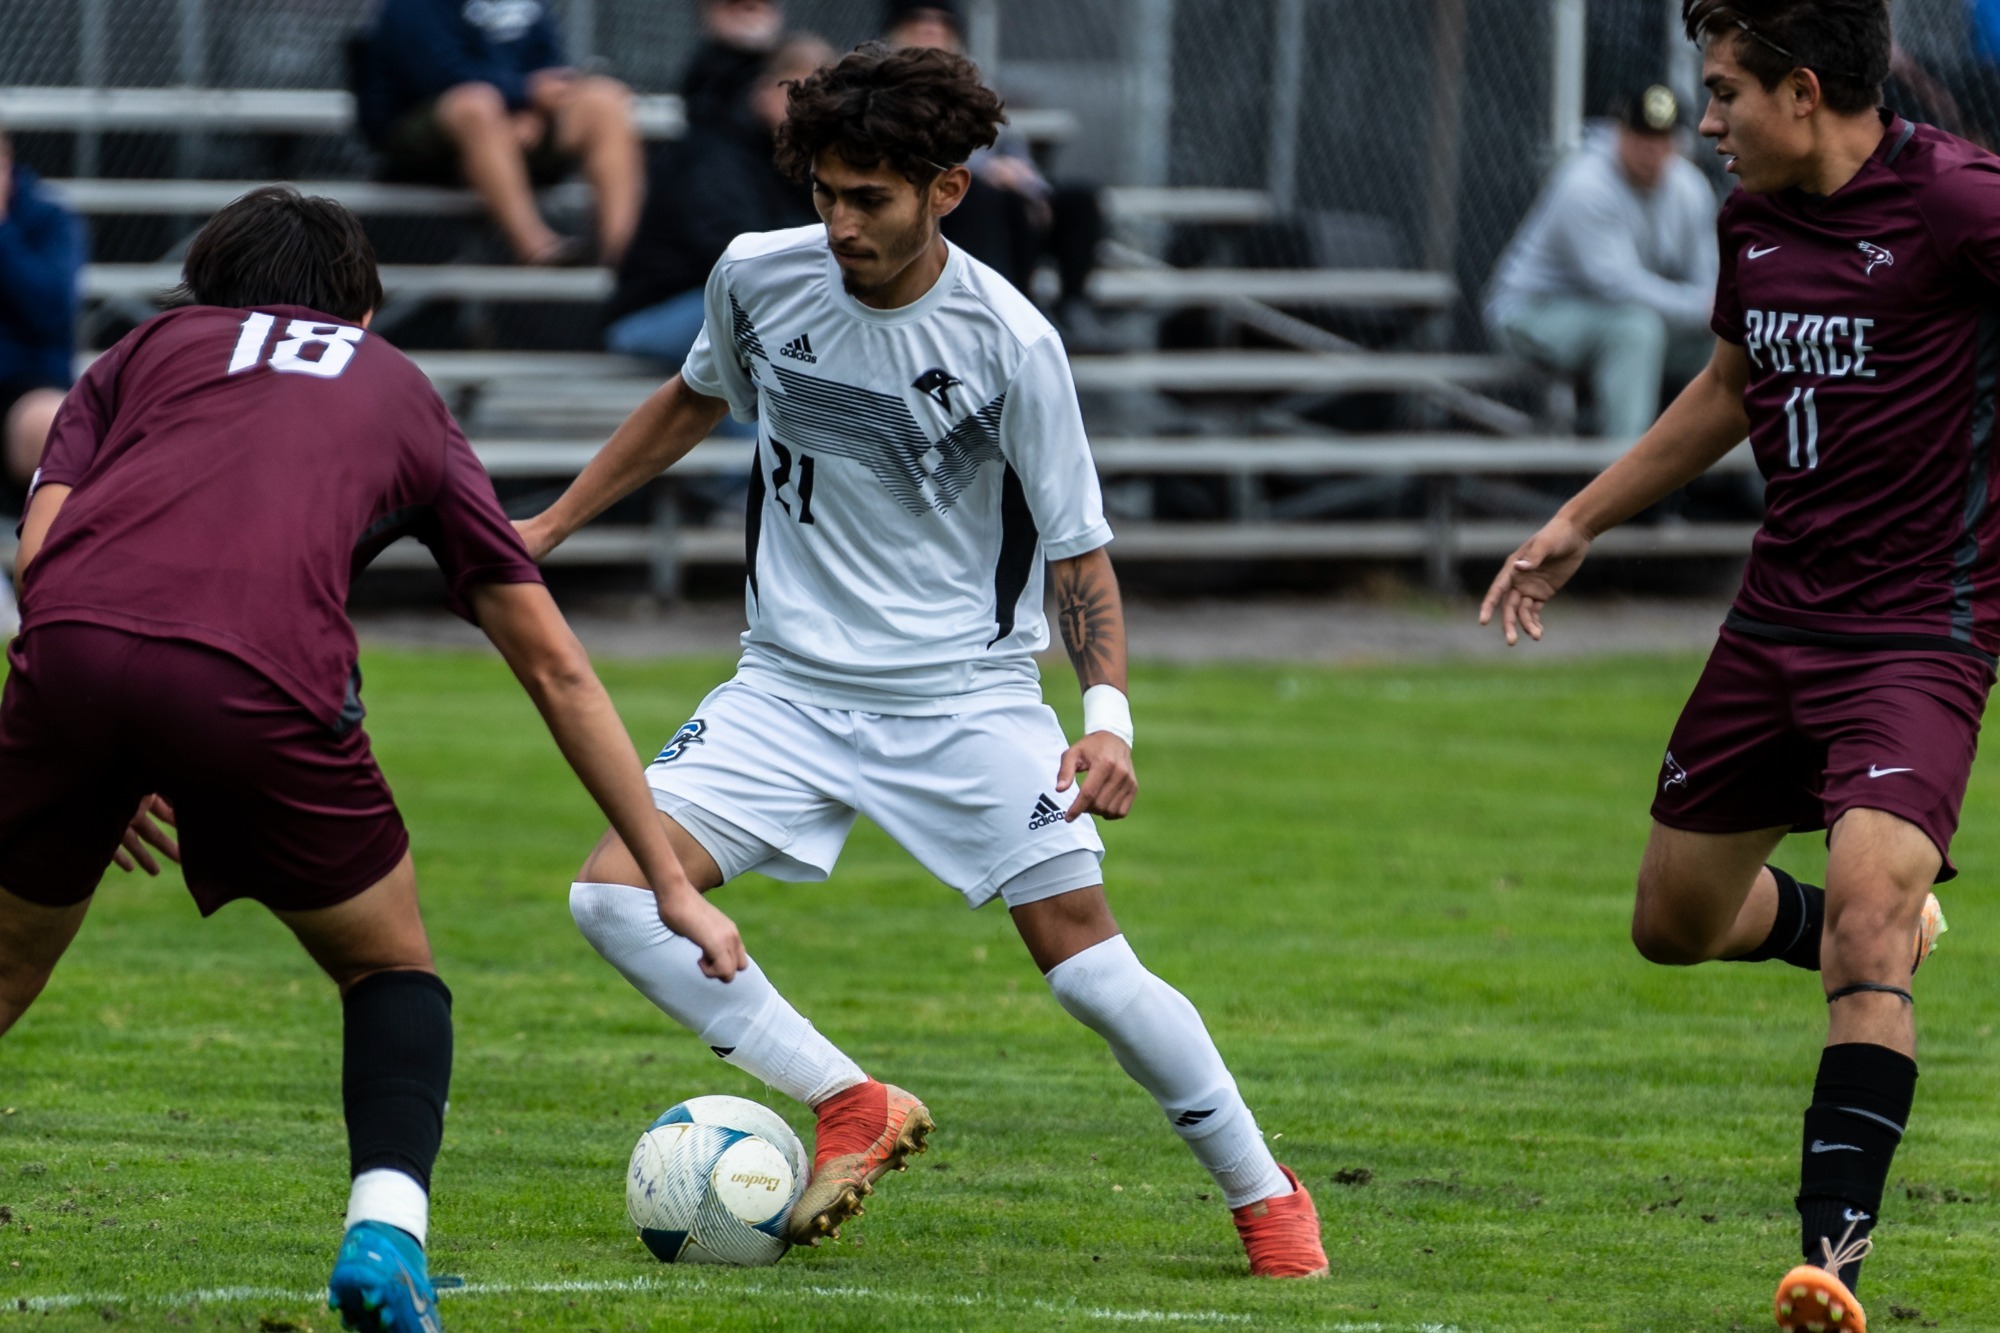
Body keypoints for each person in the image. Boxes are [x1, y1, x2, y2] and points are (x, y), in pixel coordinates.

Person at [515, 44, 1328, 1278]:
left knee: (1091, 970)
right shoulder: (755, 276)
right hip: (783, 688)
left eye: (871, 199)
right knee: (614, 895)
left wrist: (1105, 716)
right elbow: (692, 397)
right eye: (827, 193)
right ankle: (848, 1099)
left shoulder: (1010, 341)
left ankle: (1266, 1198)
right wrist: (547, 530)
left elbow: (1078, 558)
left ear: (946, 189)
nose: (841, 222)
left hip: (964, 698)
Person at [0, 188, 740, 1333]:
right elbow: (552, 666)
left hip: (72, 655)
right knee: (388, 972)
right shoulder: (395, 386)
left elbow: (44, 549)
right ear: (360, 307)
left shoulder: (143, 349)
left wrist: (109, 721)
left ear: (207, 283)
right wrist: (670, 875)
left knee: (7, 970)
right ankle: (386, 1237)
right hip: (259, 678)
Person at [1481, 3, 1991, 1328]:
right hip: (1774, 626)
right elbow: (1725, 385)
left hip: (1919, 634)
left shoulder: (1955, 203)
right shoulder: (1749, 221)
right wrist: (1578, 518)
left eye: (1721, 94)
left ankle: (1833, 1263)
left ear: (1804, 91)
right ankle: (1857, 921)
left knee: (1872, 920)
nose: (1704, 122)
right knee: (1674, 925)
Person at [1484, 85, 1720, 439]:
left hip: (1625, 317)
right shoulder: (1585, 184)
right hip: (1533, 313)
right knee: (1635, 330)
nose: (1650, 149)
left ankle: (1732, 470)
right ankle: (1626, 475)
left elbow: (1706, 279)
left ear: (1676, 143)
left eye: (1661, 138)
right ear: (1618, 133)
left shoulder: (1689, 187)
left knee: (1730, 337)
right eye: (1639, 136)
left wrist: (1718, 311)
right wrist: (1701, 308)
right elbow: (1617, 286)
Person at [354, 0, 642, 265]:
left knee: (605, 99)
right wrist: (523, 94)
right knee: (476, 105)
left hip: (519, 121)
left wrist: (535, 111)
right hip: (427, 129)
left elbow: (550, 63)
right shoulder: (412, 6)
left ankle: (624, 254)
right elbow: (439, 75)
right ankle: (540, 250)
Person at [883, 1, 1108, 338]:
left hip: (997, 191)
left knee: (1079, 200)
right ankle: (1008, 311)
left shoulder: (972, 81)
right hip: (935, 195)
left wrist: (1033, 188)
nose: (931, 29)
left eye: (942, 23)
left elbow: (1010, 142)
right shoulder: (883, 83)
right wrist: (988, 169)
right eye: (919, 20)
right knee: (990, 198)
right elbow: (909, 147)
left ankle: (1072, 306)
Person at [606, 35, 829, 375]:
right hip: (655, 313)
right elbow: (741, 262)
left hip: (732, 307)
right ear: (765, 92)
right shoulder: (715, 153)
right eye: (798, 94)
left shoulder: (813, 162)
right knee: (765, 323)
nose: (811, 110)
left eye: (824, 100)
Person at [0, 125, 84, 639]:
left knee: (59, 425)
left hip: (22, 385)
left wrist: (1, 231)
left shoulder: (49, 219)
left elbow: (50, 311)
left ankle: (67, 600)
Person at [681, 0, 786, 136]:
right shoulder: (708, 74)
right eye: (737, 5)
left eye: (765, 4)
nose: (752, 14)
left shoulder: (786, 65)